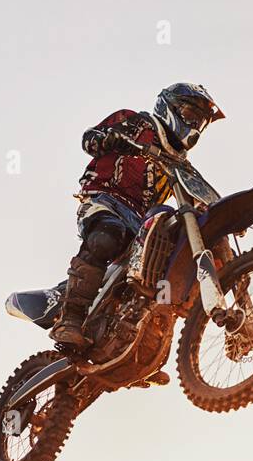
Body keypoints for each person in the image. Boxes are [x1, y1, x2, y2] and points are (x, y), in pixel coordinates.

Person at [49, 83, 225, 346]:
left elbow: (197, 193)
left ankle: (147, 341)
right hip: (105, 199)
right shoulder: (137, 123)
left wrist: (218, 211)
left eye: (199, 122)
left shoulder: (181, 163)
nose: (193, 125)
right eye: (189, 115)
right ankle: (70, 319)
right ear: (171, 107)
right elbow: (90, 138)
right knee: (106, 237)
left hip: (142, 222)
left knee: (168, 264)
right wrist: (110, 139)